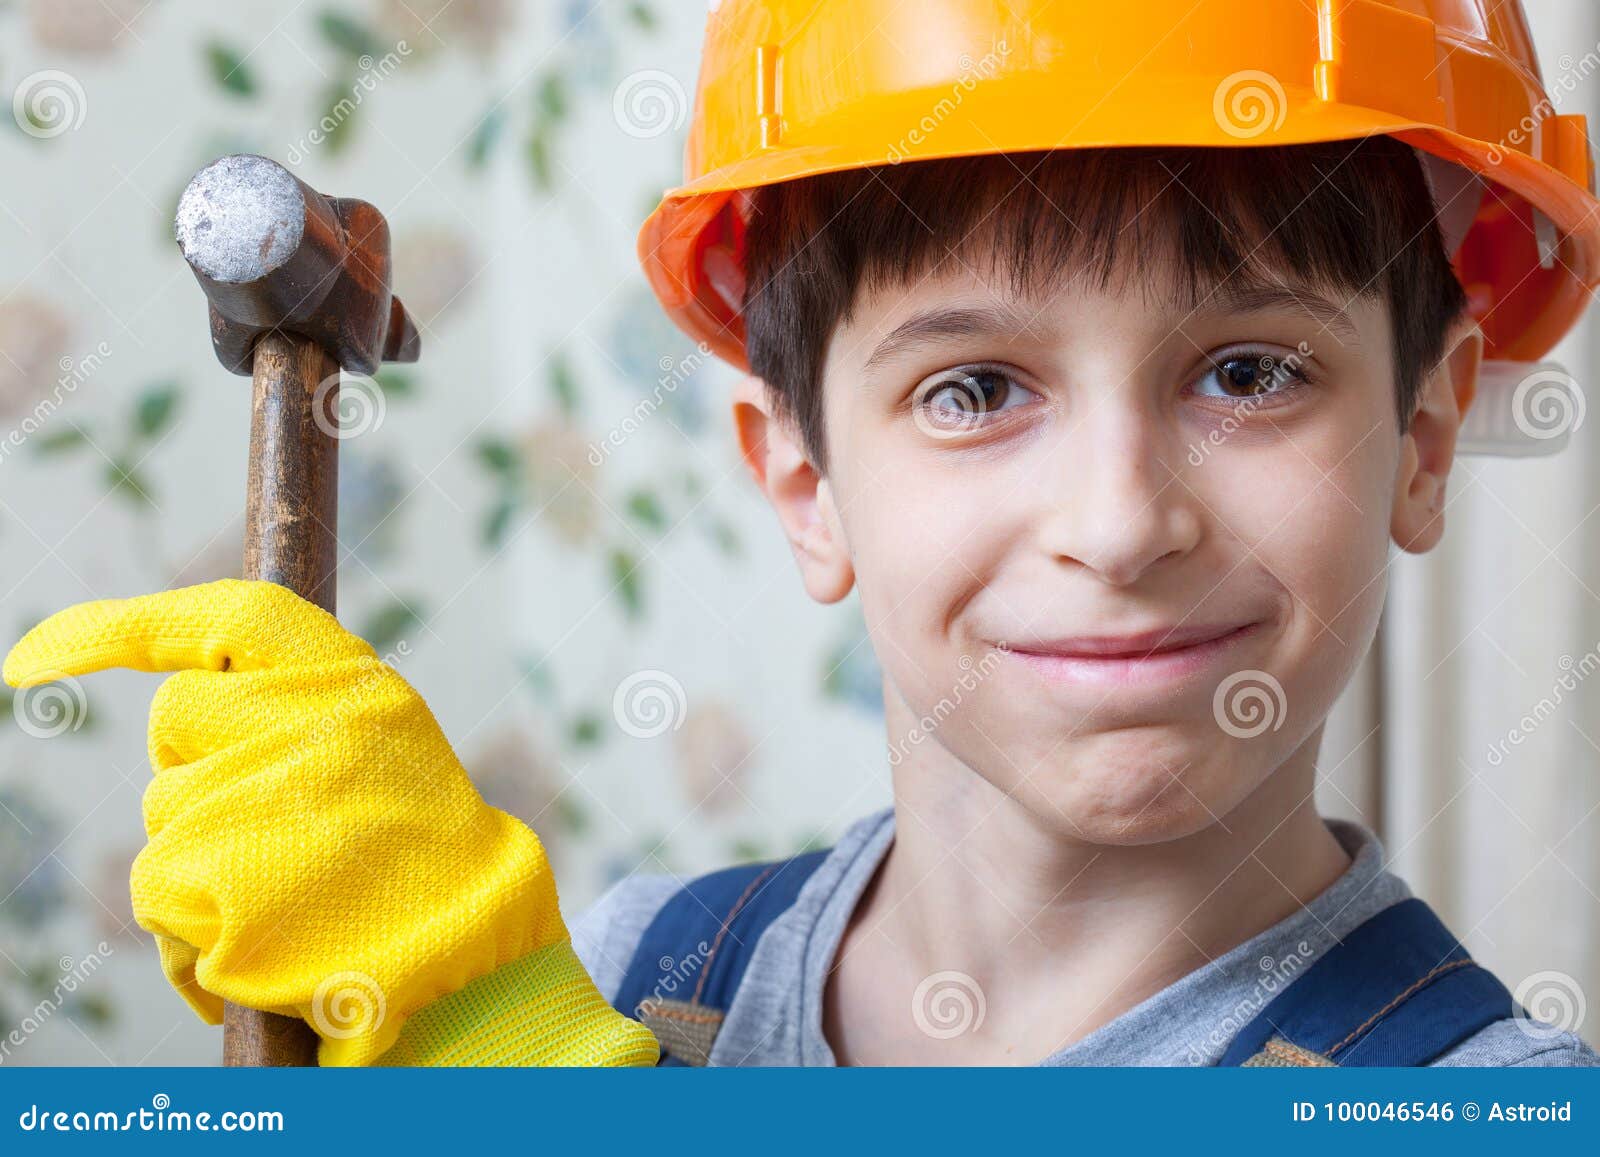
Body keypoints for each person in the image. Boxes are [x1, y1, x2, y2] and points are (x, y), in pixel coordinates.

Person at [6, 0, 1598, 1067]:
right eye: (976, 388)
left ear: (1427, 431)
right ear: (803, 480)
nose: (1121, 521)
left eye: (1248, 372)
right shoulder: (640, 971)